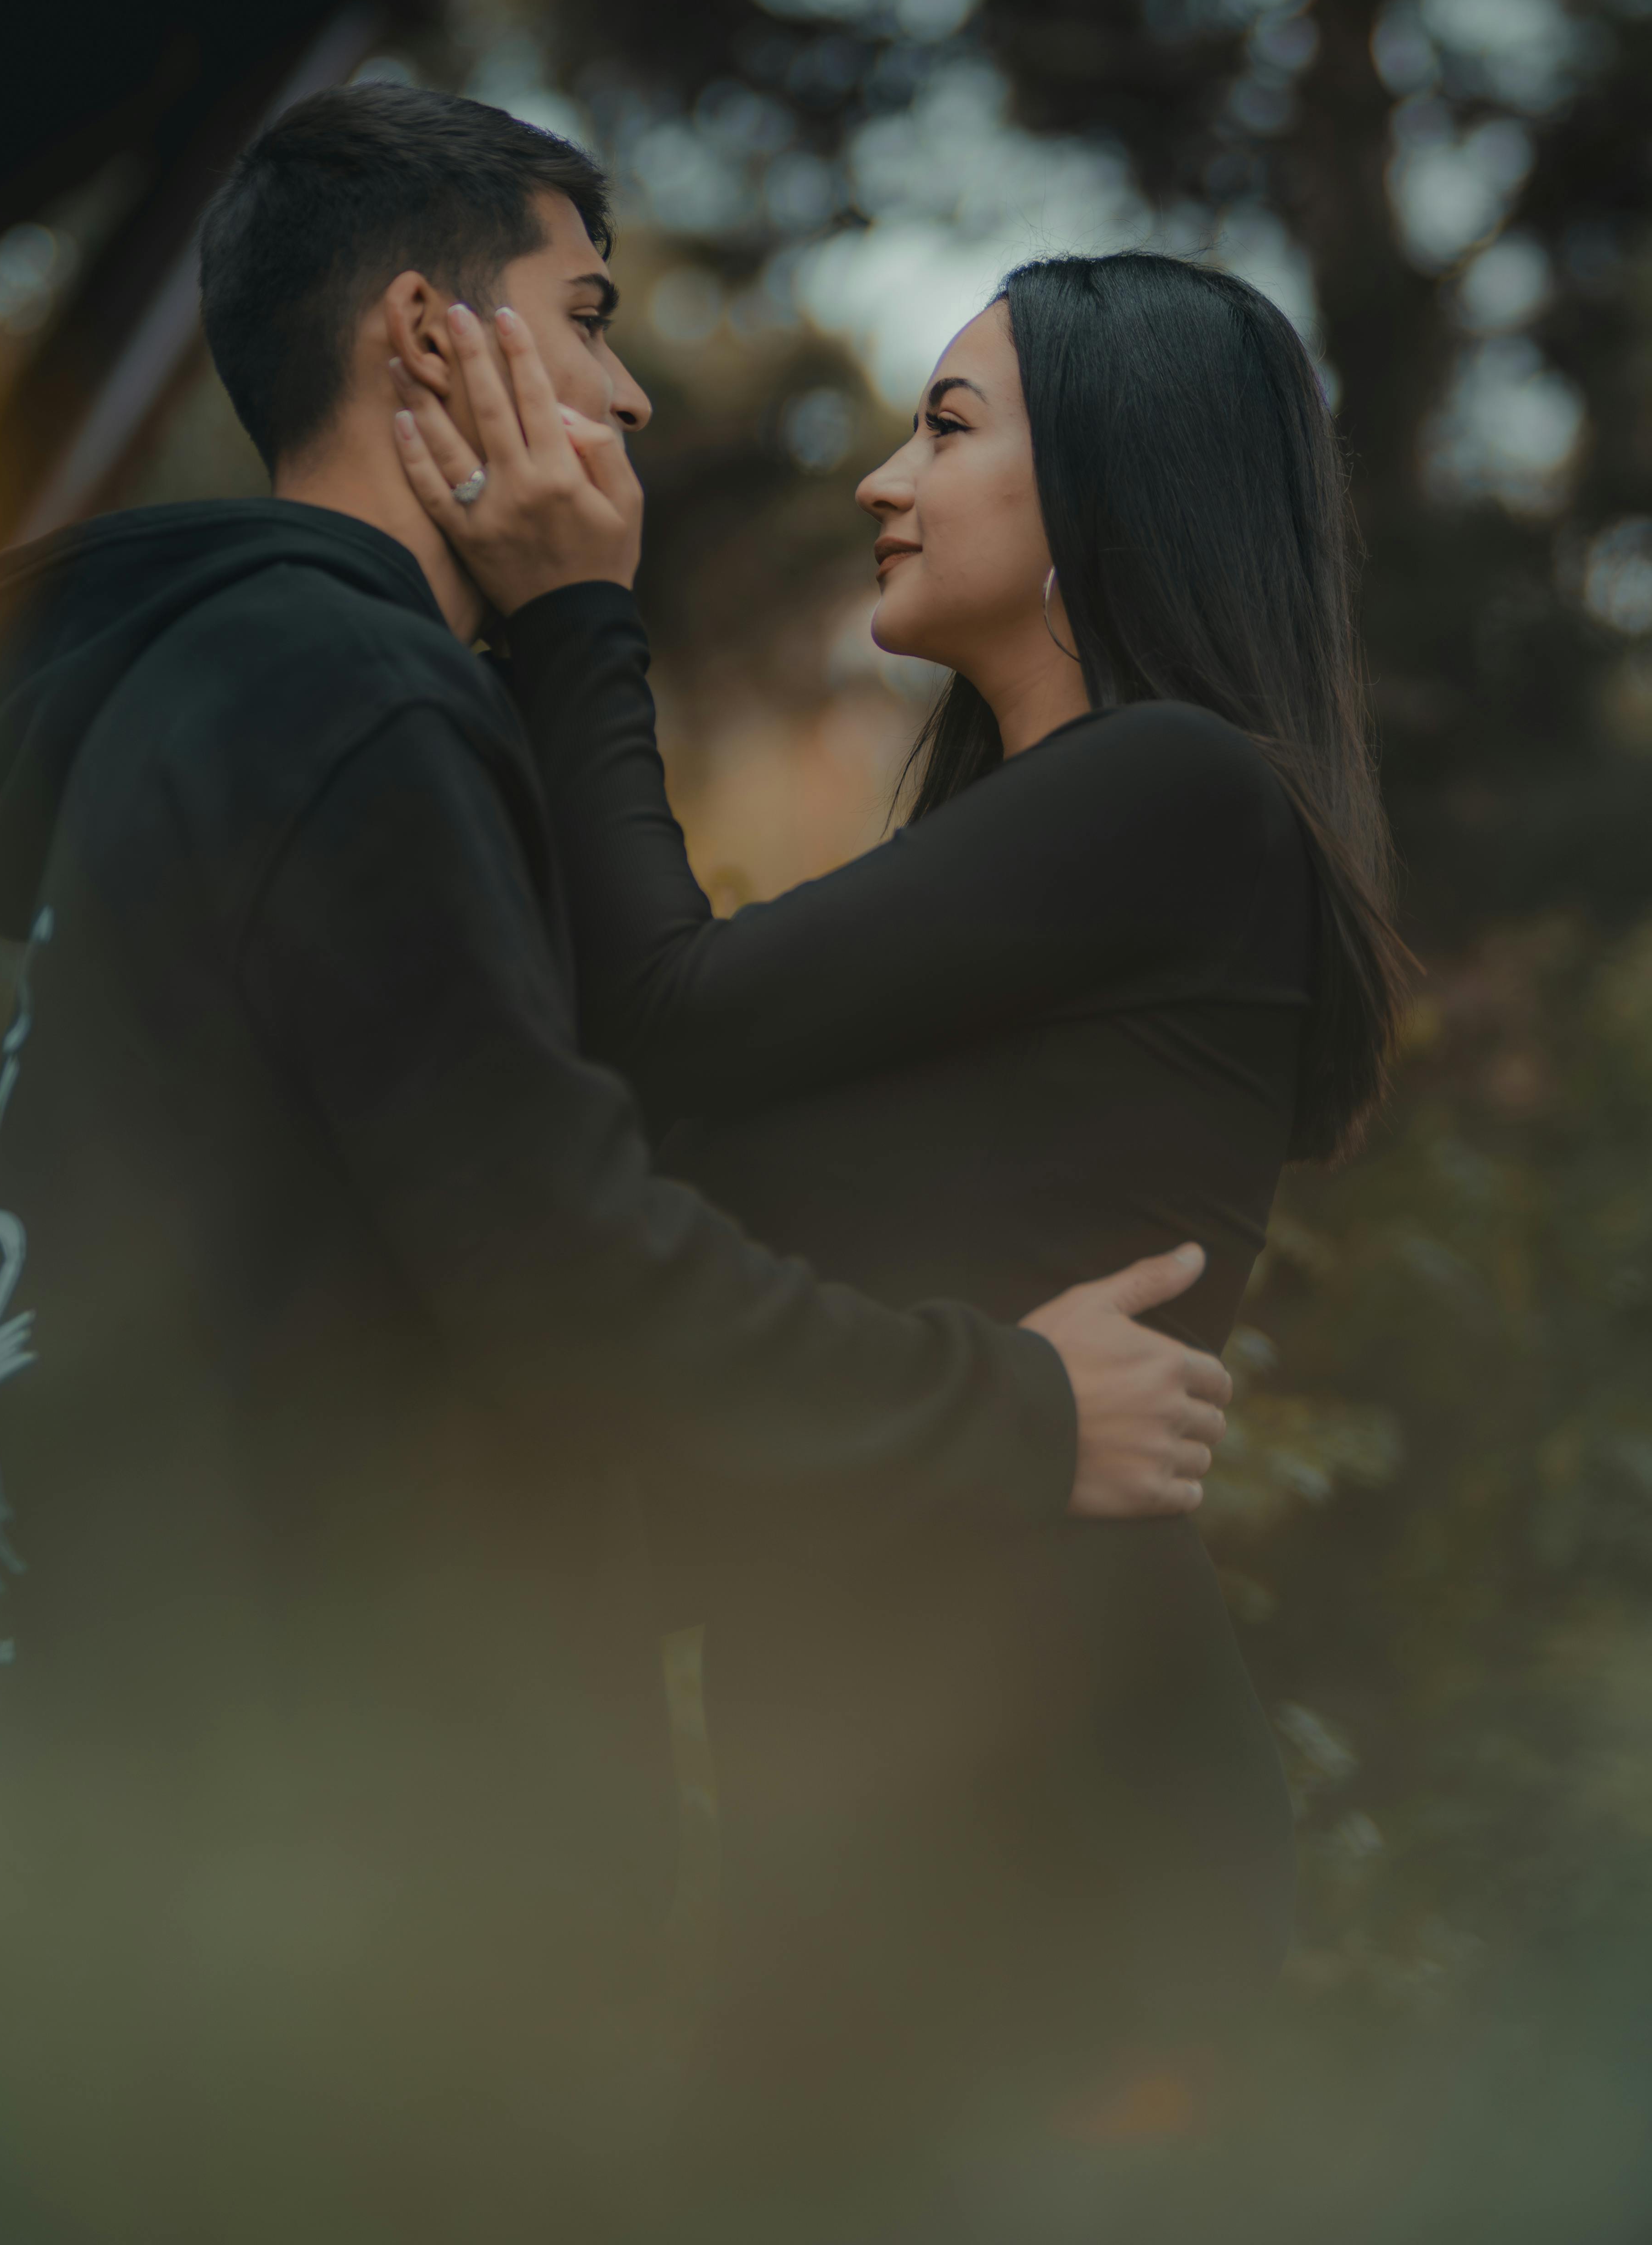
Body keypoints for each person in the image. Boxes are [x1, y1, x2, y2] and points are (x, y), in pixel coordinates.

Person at [0, 89, 1227, 2239]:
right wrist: (1008, 1404)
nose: (626, 383)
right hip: (325, 1886)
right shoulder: (344, 694)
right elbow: (558, 1259)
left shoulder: (191, 692)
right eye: (588, 312)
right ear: (434, 345)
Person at [391, 236, 1409, 2157]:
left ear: (1117, 483)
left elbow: (658, 1026)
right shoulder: (1027, 857)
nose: (882, 478)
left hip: (1049, 1816)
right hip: (873, 1785)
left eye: (945, 425)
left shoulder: (1175, 791)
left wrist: (576, 620)